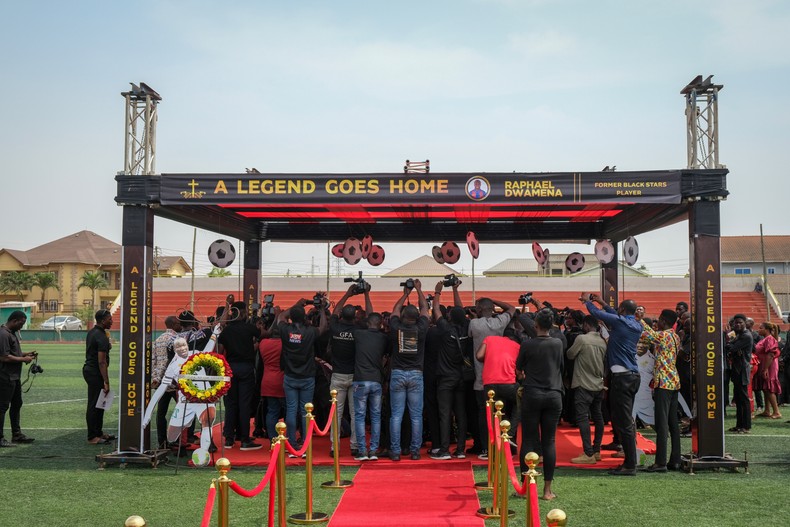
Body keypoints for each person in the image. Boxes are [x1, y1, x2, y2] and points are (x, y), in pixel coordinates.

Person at [581, 292, 643, 476]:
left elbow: (599, 314)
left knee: (623, 422)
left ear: (622, 310)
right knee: (625, 421)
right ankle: (629, 461)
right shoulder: (635, 325)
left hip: (622, 378)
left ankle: (630, 464)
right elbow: (613, 314)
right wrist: (601, 302)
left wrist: (587, 302)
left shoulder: (620, 322)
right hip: (632, 377)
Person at [516, 309, 564, 500]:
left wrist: (523, 377)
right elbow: (560, 367)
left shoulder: (527, 344)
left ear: (536, 325)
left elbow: (518, 369)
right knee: (549, 441)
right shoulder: (558, 343)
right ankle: (547, 490)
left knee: (528, 440)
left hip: (532, 393)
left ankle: (525, 486)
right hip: (553, 393)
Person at [468, 295, 516, 458]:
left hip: (481, 378)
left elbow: (470, 335)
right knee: (502, 412)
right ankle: (506, 443)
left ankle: (484, 447)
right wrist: (495, 301)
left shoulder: (474, 324)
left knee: (483, 413)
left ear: (479, 309)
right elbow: (512, 309)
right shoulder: (500, 322)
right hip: (501, 375)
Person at [278, 298, 328, 453]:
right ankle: (306, 443)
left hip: (291, 376)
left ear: (291, 317)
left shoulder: (285, 330)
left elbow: (279, 317)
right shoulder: (310, 331)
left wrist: (299, 303)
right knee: (306, 411)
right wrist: (321, 309)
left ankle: (292, 442)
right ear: (305, 317)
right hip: (307, 377)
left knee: (291, 410)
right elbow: (323, 327)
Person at [388, 279, 430, 461]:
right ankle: (415, 451)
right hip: (416, 374)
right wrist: (419, 290)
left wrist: (406, 293)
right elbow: (425, 310)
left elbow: (394, 311)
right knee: (416, 416)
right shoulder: (421, 328)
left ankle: (396, 452)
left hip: (397, 373)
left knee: (396, 415)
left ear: (403, 317)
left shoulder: (396, 327)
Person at [328, 284, 372, 457]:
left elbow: (334, 312)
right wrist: (367, 294)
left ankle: (334, 447)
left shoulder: (335, 327)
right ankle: (354, 446)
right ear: (355, 317)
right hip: (355, 376)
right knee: (356, 414)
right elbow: (370, 316)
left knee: (336, 414)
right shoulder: (359, 330)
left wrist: (347, 294)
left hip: (337, 375)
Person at [430, 279, 470, 460]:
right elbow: (460, 311)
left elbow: (436, 311)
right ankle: (461, 450)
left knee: (445, 414)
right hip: (461, 377)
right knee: (461, 414)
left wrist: (437, 292)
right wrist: (455, 289)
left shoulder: (446, 330)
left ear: (450, 318)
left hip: (445, 379)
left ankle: (445, 449)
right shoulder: (466, 329)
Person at [637, 309, 682, 472]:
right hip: (674, 382)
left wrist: (641, 320)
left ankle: (660, 462)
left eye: (659, 321)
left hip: (663, 382)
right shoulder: (675, 336)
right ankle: (675, 459)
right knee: (672, 424)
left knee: (662, 423)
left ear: (663, 321)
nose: (657, 324)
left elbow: (649, 335)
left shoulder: (664, 335)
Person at [218, 300, 264, 450]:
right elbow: (264, 334)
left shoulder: (226, 331)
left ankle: (229, 438)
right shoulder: (248, 328)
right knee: (244, 404)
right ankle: (244, 439)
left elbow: (220, 350)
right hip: (246, 368)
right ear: (243, 312)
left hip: (231, 367)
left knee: (231, 404)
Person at [566, 315, 607, 464]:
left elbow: (570, 354)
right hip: (598, 384)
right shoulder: (602, 341)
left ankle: (588, 453)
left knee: (583, 418)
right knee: (598, 417)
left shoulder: (582, 339)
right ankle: (596, 451)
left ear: (587, 325)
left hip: (583, 383)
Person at [352, 312, 389, 461]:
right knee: (376, 416)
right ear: (380, 324)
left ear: (368, 323)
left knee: (360, 416)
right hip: (376, 381)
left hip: (360, 379)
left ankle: (362, 450)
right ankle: (373, 450)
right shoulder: (383, 338)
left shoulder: (359, 334)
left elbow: (357, 321)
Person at [0, 311, 37, 447]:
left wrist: (25, 354)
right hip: (5, 377)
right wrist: (23, 359)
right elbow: (4, 357)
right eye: (21, 323)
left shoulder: (11, 334)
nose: (22, 326)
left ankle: (17, 434)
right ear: (14, 321)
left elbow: (12, 353)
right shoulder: (3, 334)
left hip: (14, 377)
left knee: (17, 404)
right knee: (2, 407)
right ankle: (0, 438)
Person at [83, 309, 115, 445]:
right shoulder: (100, 336)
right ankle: (92, 436)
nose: (112, 321)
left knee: (100, 403)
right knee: (94, 404)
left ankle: (98, 432)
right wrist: (106, 381)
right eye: (109, 319)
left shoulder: (94, 332)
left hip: (91, 371)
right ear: (102, 321)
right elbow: (101, 362)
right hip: (95, 372)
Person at [151, 315, 182, 447]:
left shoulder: (158, 339)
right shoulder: (178, 340)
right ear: (174, 324)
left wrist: (155, 378)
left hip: (161, 382)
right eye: (178, 323)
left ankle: (162, 441)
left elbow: (153, 360)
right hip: (174, 382)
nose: (180, 325)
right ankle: (179, 440)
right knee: (182, 411)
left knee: (161, 413)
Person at [725, 314, 753, 434]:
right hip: (737, 369)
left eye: (740, 323)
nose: (738, 325)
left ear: (745, 323)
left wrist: (729, 340)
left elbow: (730, 348)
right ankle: (739, 425)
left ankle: (746, 426)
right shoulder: (739, 334)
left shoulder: (746, 336)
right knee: (738, 399)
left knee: (743, 399)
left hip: (742, 370)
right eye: (736, 323)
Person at [259, 325, 286, 439]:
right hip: (282, 381)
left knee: (272, 412)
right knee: (289, 412)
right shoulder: (284, 345)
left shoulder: (263, 343)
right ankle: (287, 439)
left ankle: (273, 440)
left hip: (267, 381)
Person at [753, 322, 782, 419]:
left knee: (769, 388)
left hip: (769, 366)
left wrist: (765, 369)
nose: (758, 329)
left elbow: (771, 355)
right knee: (765, 387)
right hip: (764, 365)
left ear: (766, 329)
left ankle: (776, 412)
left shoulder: (770, 339)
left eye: (761, 328)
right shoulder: (765, 339)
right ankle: (767, 410)